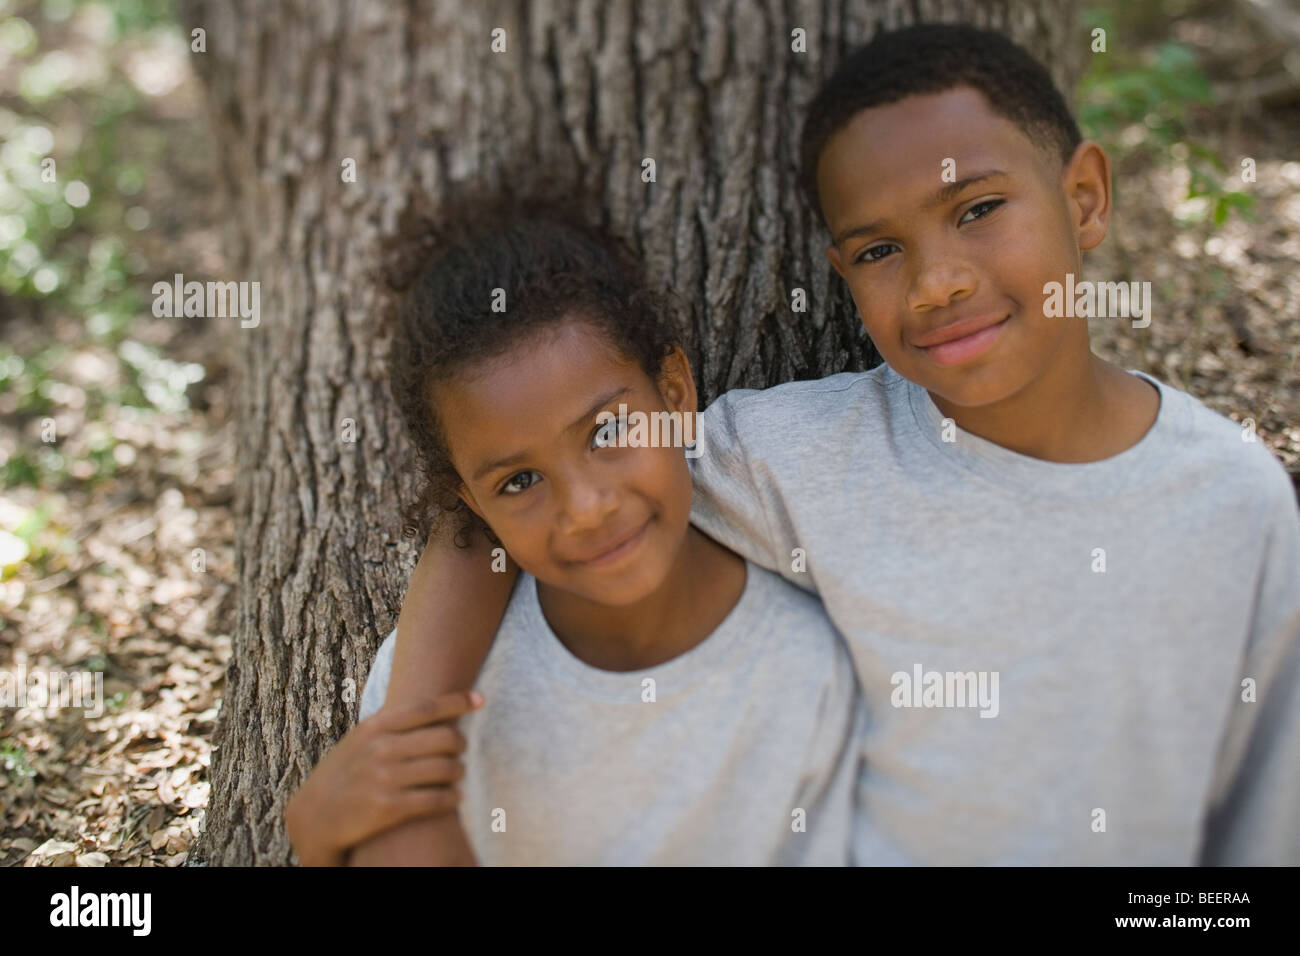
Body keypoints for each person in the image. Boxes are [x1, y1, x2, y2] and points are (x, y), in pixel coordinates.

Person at [363, 23, 1300, 866]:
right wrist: (406, 758)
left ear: (1085, 199)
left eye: (977, 209)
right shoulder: (803, 456)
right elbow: (497, 500)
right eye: (881, 251)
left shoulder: (1236, 499)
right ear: (841, 272)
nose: (936, 283)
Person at [286, 201, 864, 866]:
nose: (586, 508)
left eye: (609, 431)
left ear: (675, 394)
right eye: (519, 482)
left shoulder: (807, 672)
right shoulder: (431, 687)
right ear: (468, 501)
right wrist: (317, 844)